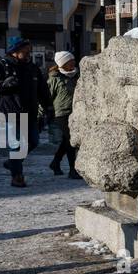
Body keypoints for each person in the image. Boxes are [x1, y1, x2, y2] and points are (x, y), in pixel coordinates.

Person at [0, 37, 51, 188]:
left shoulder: (33, 68)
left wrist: (48, 107)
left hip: (30, 112)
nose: (29, 54)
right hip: (11, 112)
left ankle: (12, 163)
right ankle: (17, 176)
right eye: (25, 52)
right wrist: (0, 85)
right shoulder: (2, 66)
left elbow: (43, 90)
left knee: (34, 141)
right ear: (15, 52)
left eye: (29, 51)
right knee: (18, 145)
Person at [47, 51, 81, 179]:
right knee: (70, 140)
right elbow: (48, 97)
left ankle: (55, 162)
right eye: (70, 61)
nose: (73, 62)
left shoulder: (77, 75)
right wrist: (42, 113)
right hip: (61, 113)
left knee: (67, 140)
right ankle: (73, 169)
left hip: (76, 112)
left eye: (73, 60)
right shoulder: (54, 78)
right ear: (63, 63)